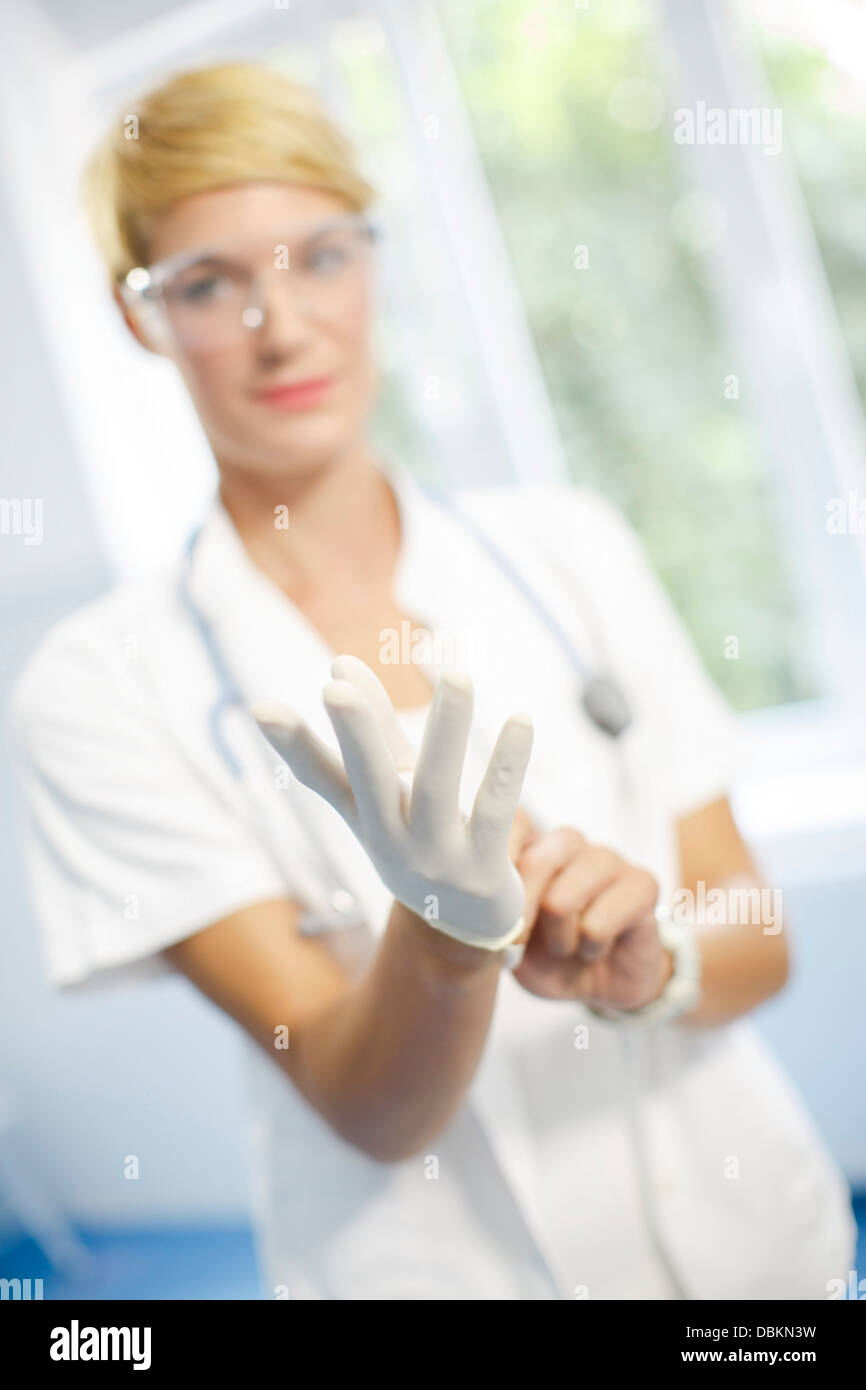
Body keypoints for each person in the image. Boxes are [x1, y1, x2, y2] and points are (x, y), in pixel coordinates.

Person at [10, 61, 855, 1301]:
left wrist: (652, 959)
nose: (281, 325)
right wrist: (445, 946)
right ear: (140, 316)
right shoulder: (97, 691)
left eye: (320, 256)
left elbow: (755, 933)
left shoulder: (567, 551)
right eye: (209, 283)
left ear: (375, 260)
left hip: (751, 1267)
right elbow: (362, 1099)